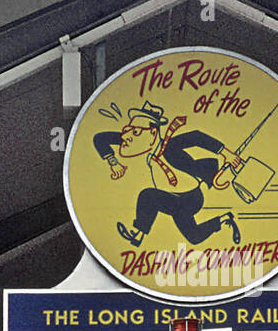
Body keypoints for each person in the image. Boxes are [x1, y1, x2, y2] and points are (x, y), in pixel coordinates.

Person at [94, 103, 244, 247]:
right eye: (127, 130)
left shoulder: (170, 146)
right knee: (194, 237)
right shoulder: (145, 147)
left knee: (148, 196)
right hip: (171, 199)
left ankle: (137, 232)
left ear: (153, 133)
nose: (126, 137)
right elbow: (100, 138)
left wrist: (226, 153)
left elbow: (197, 137)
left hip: (191, 198)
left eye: (135, 132)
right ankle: (224, 219)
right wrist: (113, 162)